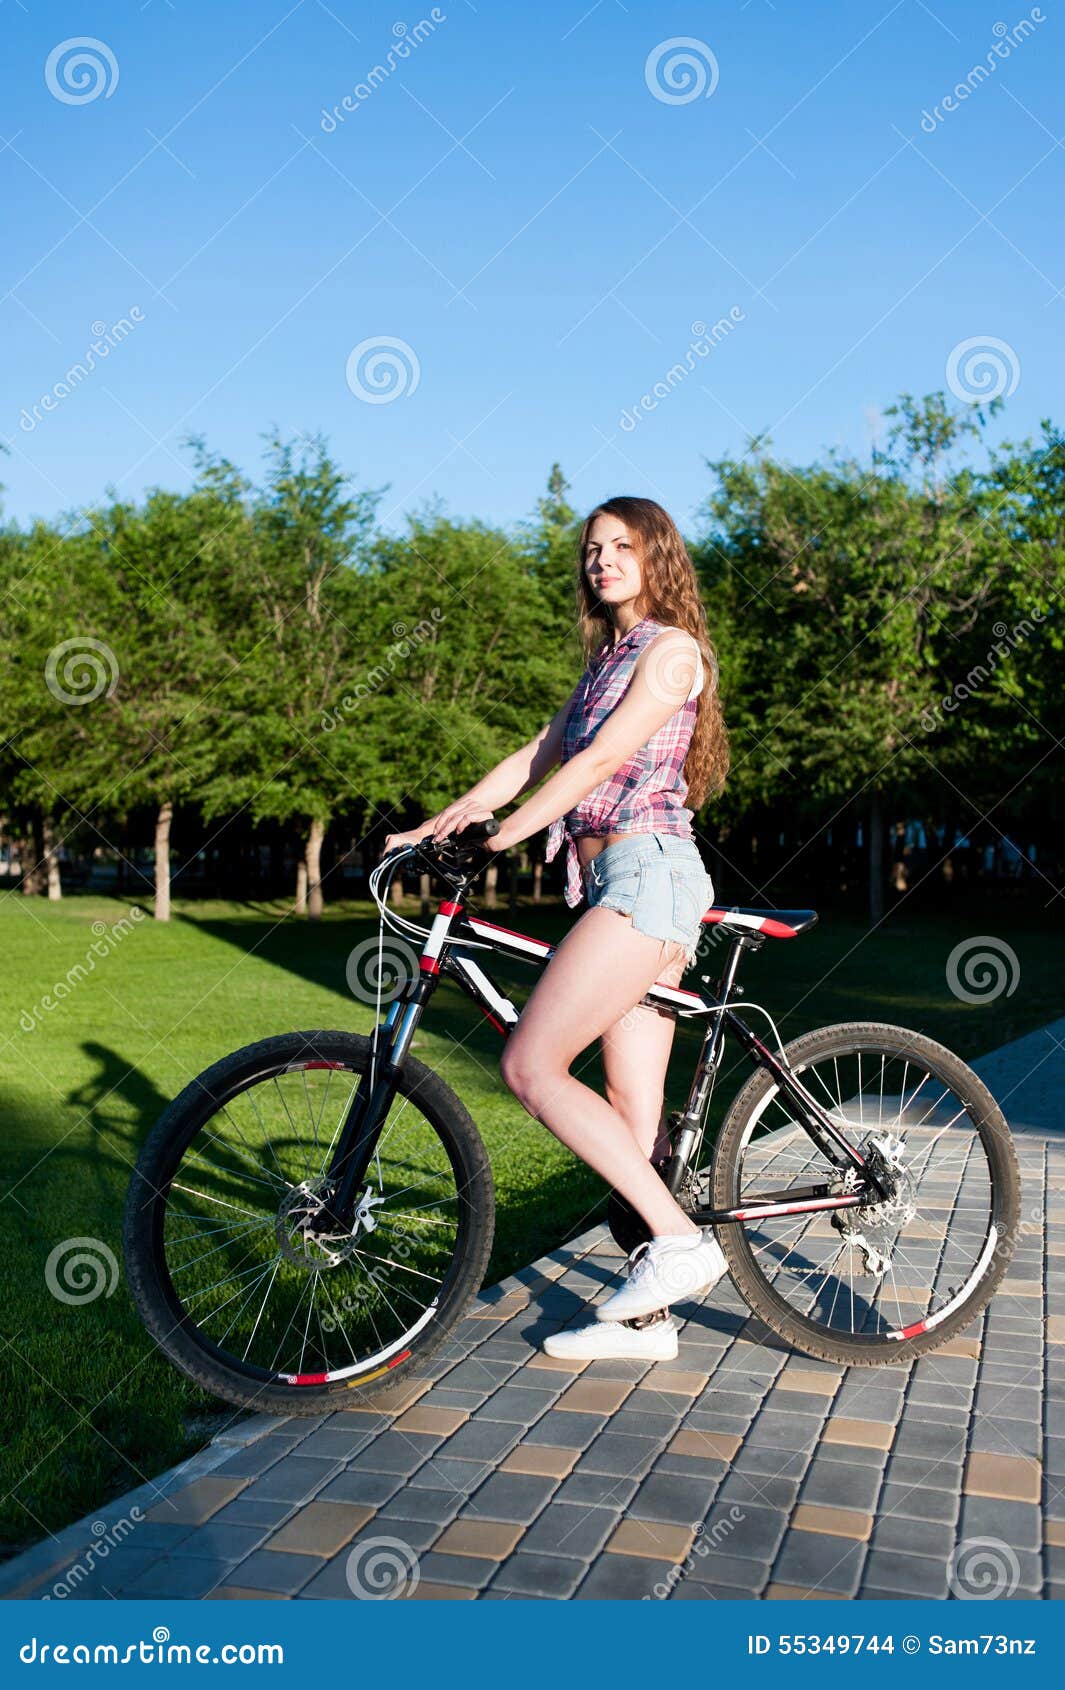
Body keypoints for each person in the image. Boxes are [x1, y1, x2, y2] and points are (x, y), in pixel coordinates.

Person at [382, 496, 730, 1360]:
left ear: (657, 557)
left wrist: (501, 837)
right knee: (630, 1114)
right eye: (591, 550)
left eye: (621, 546)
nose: (601, 560)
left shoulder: (670, 652)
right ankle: (651, 1319)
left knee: (531, 1065)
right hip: (616, 879)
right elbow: (536, 756)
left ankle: (684, 1248)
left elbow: (602, 759)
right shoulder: (605, 660)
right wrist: (443, 823)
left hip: (648, 876)